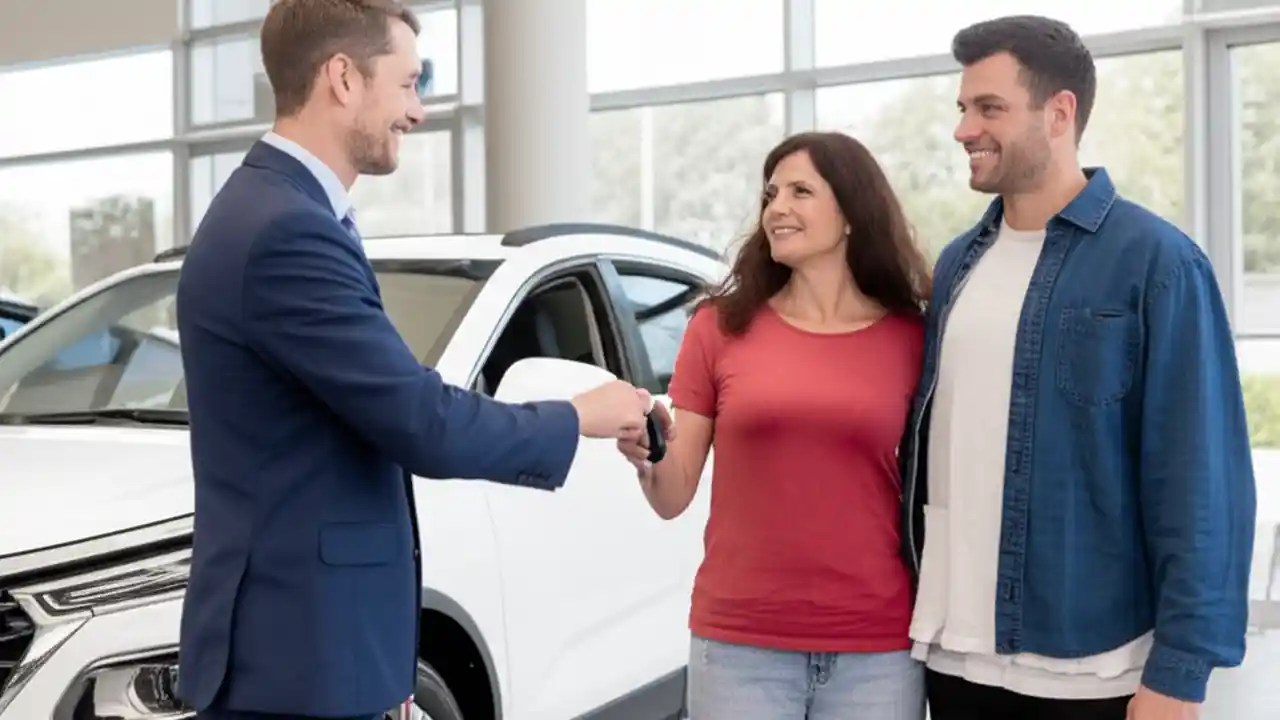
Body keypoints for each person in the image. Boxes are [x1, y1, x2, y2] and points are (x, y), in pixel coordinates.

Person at [174, 1, 650, 718]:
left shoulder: (279, 210)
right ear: (342, 77)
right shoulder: (286, 230)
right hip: (298, 664)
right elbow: (420, 420)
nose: (418, 111)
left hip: (315, 651)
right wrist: (582, 414)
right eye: (407, 83)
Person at [900, 15, 1257, 720]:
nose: (964, 129)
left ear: (1059, 113)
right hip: (951, 659)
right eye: (963, 108)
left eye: (989, 108)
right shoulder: (956, 265)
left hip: (1092, 674)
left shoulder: (1156, 262)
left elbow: (1201, 480)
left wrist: (1179, 674)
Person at [617, 131, 932, 719]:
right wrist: (648, 453)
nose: (776, 208)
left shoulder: (913, 338)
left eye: (801, 191)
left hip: (877, 648)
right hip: (741, 646)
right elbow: (673, 494)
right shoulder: (718, 328)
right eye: (770, 193)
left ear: (851, 216)